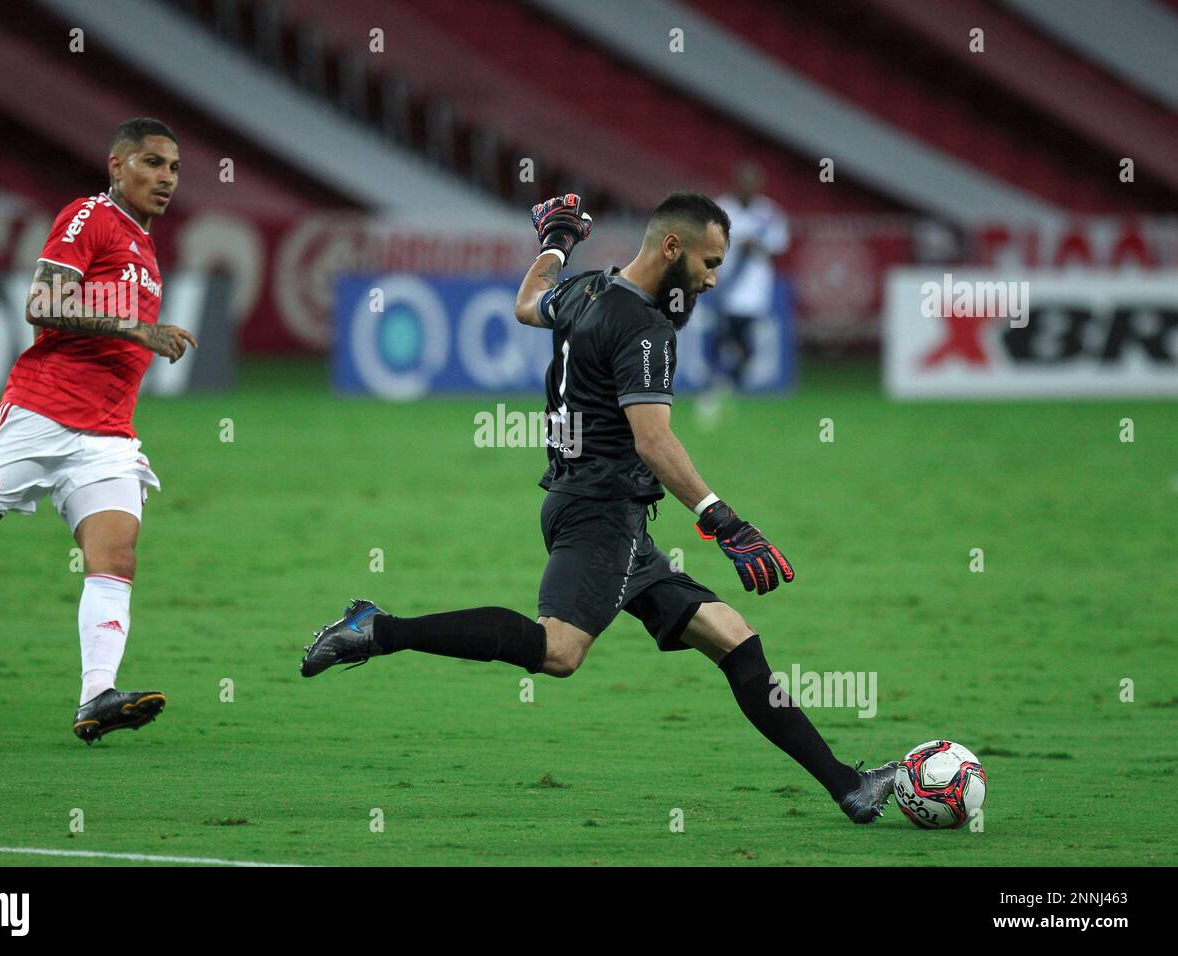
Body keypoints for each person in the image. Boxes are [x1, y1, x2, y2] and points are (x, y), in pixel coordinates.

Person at [300, 191, 898, 823]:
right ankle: (377, 630)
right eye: (709, 262)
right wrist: (722, 518)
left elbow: (527, 304)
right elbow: (653, 438)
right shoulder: (646, 328)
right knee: (559, 652)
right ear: (673, 247)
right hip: (602, 510)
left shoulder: (587, 289)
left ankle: (847, 787)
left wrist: (555, 246)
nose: (714, 279)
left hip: (595, 506)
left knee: (735, 642)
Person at [0, 118, 198, 744]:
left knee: (116, 555)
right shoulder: (90, 216)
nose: (166, 178)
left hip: (106, 436)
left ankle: (96, 697)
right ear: (116, 165)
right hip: (40, 416)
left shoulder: (145, 246)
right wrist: (135, 329)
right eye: (152, 163)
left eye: (175, 169)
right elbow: (43, 303)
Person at [699, 161, 789, 424]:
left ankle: (730, 389)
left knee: (746, 346)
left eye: (753, 183)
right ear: (736, 184)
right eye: (744, 183)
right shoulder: (720, 209)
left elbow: (779, 245)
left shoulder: (769, 213)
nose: (748, 188)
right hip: (723, 288)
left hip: (754, 291)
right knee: (718, 340)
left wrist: (757, 245)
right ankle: (714, 388)